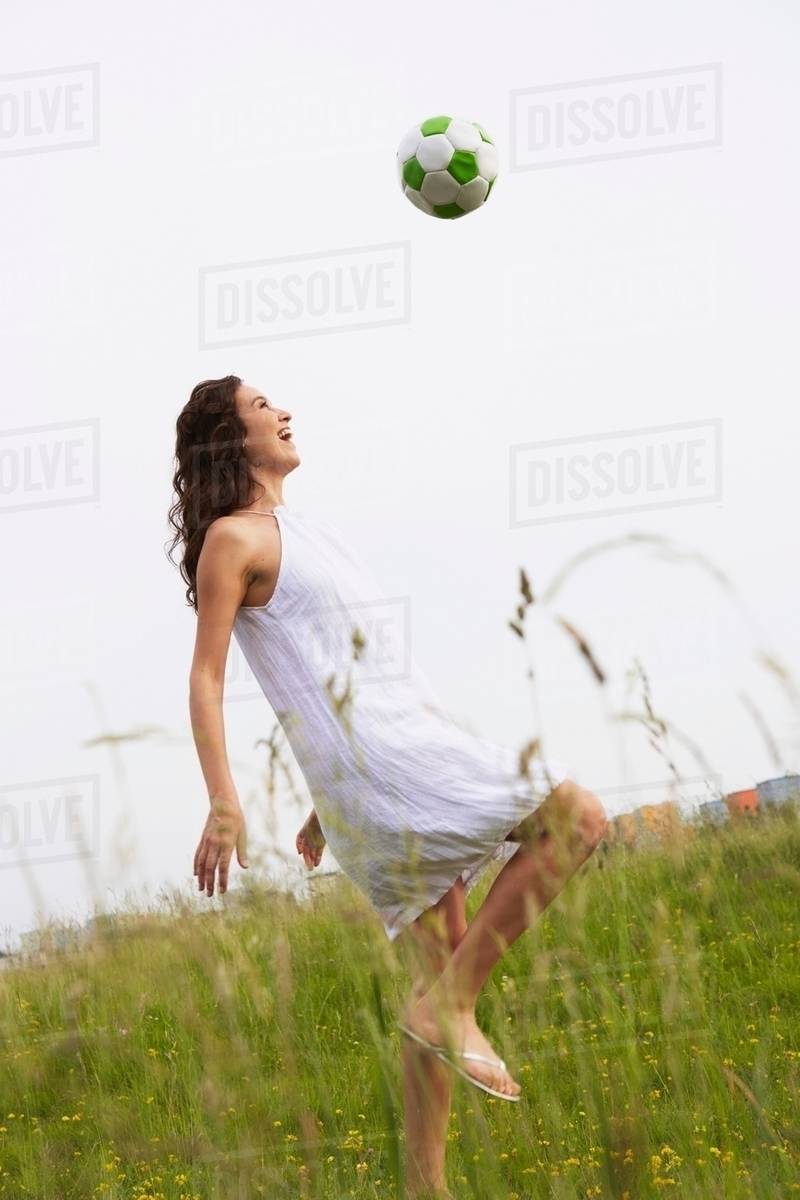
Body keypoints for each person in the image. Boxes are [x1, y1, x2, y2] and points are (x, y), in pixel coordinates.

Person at [170, 375, 608, 1199]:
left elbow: (335, 674)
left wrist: (327, 800)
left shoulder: (303, 533)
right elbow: (205, 678)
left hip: (381, 767)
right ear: (230, 439)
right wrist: (224, 799)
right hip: (389, 768)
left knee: (434, 973)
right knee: (577, 818)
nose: (284, 412)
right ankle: (452, 1011)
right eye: (263, 407)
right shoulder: (233, 540)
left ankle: (424, 1187)